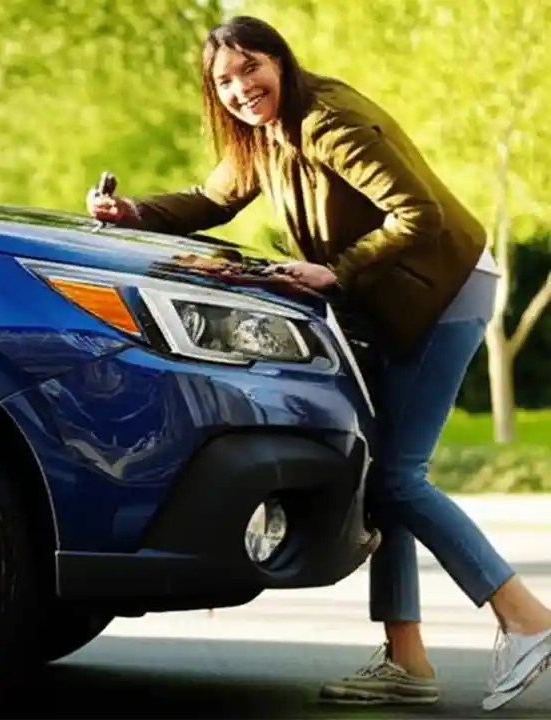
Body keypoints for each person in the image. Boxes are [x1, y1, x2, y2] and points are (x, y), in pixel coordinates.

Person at [87, 14, 551, 711]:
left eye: (252, 68)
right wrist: (131, 212)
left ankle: (528, 620)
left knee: (397, 478)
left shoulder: (325, 121)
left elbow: (416, 213)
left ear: (280, 60)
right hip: (397, 300)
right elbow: (214, 200)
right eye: (226, 80)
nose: (242, 88)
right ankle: (407, 661)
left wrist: (336, 271)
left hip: (442, 291)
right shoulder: (261, 137)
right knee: (385, 479)